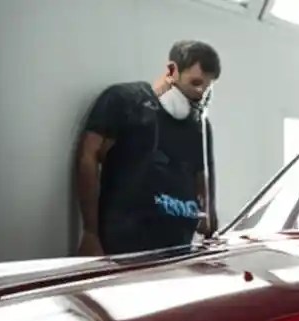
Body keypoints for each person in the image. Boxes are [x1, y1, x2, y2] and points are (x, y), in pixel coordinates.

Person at [76, 40, 221, 256]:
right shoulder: (125, 101)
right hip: (122, 248)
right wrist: (90, 232)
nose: (200, 93)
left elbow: (203, 177)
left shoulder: (199, 125)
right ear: (172, 71)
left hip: (177, 250)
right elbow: (88, 157)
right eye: (195, 82)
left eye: (207, 87)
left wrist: (209, 217)